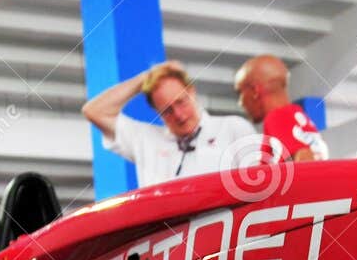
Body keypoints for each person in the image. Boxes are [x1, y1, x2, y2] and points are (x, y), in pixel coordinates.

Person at [81, 61, 259, 186]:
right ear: (156, 111)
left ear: (192, 91)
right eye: (167, 111)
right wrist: (147, 77)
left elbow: (259, 184)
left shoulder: (233, 127)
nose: (179, 115)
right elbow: (94, 111)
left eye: (181, 102)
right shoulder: (145, 139)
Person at [233, 55, 329, 163]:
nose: (240, 102)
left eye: (240, 93)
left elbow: (305, 159)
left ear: (255, 91)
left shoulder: (278, 118)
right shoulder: (297, 116)